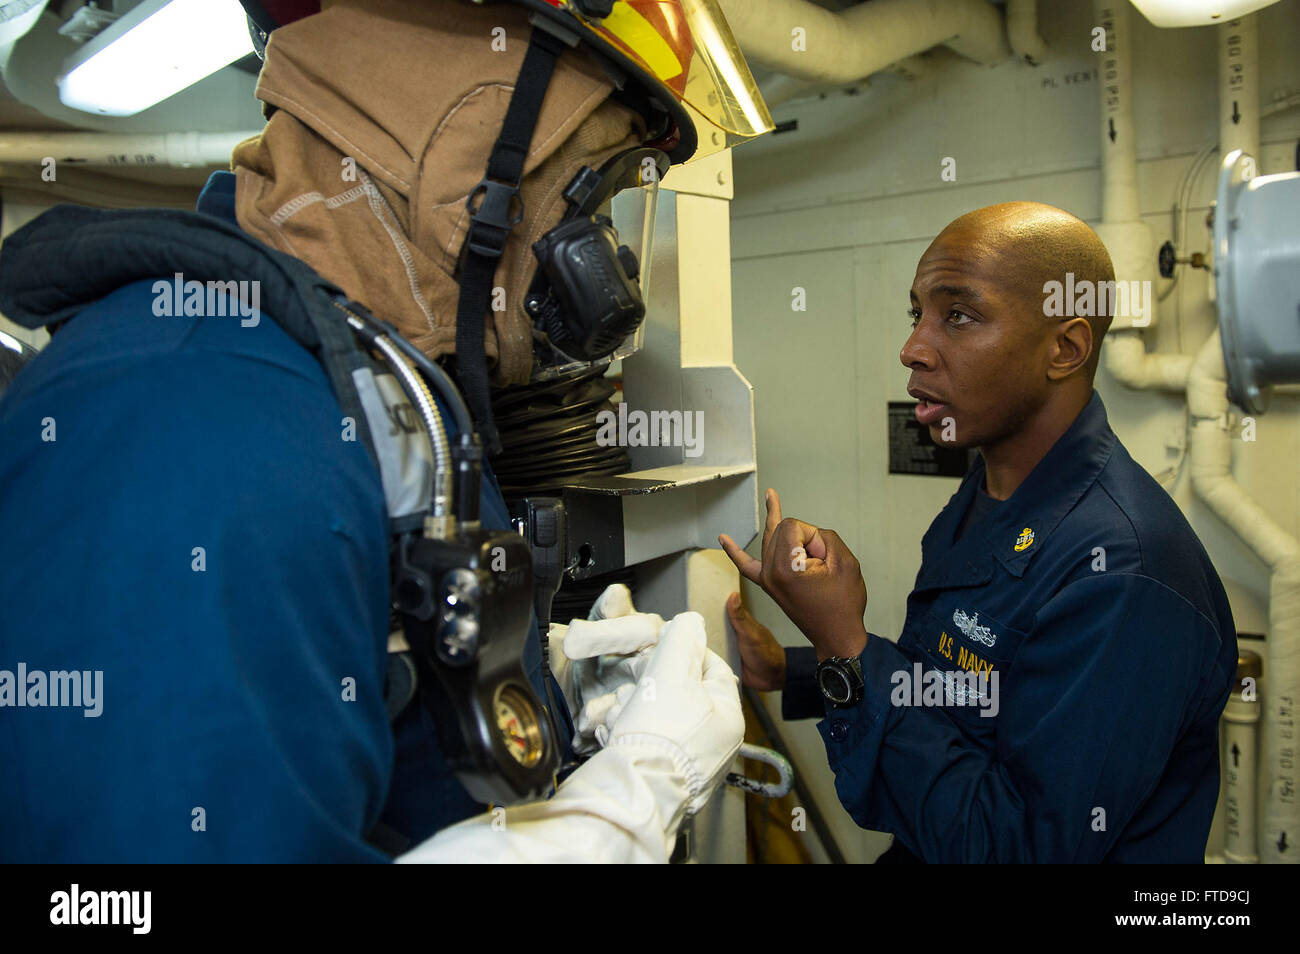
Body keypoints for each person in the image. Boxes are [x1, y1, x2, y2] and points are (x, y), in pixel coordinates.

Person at [0, 0, 770, 863]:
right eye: (598, 189)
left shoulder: (369, 383)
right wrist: (625, 807)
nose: (602, 257)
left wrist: (532, 678)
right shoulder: (191, 415)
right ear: (463, 155)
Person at [720, 201, 1239, 863]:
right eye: (918, 314)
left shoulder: (1127, 571)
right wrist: (801, 668)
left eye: (957, 315)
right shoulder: (997, 488)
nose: (912, 347)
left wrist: (844, 644)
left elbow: (1017, 848)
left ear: (1065, 348)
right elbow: (972, 692)